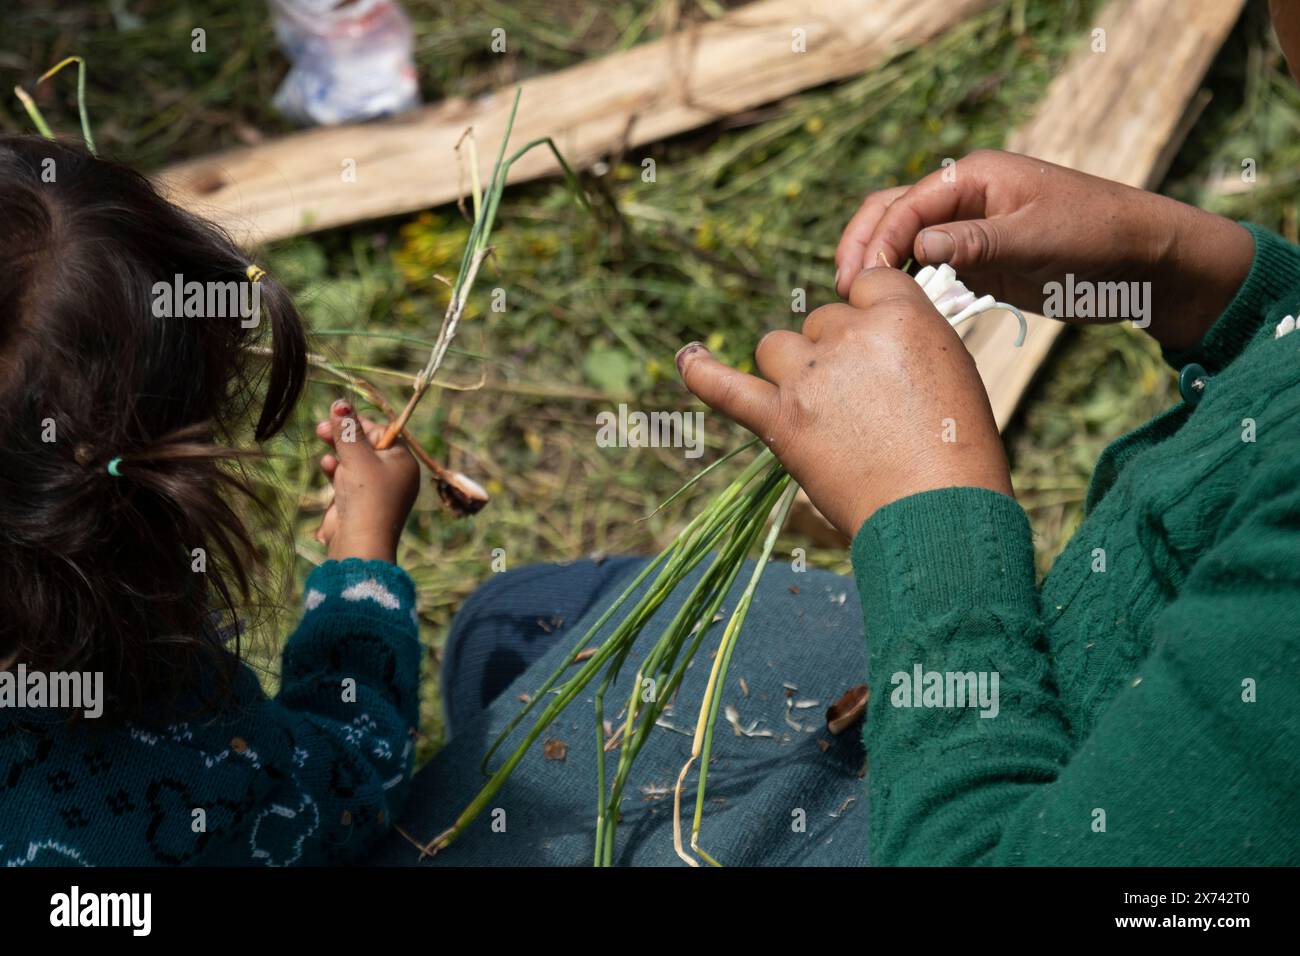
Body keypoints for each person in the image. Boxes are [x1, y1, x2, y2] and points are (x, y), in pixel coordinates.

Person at [374, 4, 1300, 866]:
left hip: (962, 799)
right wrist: (1187, 273)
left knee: (462, 784)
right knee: (519, 617)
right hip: (1051, 702)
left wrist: (927, 508)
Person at [0, 135, 422, 866]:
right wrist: (363, 568)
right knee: (498, 626)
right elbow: (350, 779)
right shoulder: (170, 754)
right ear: (144, 495)